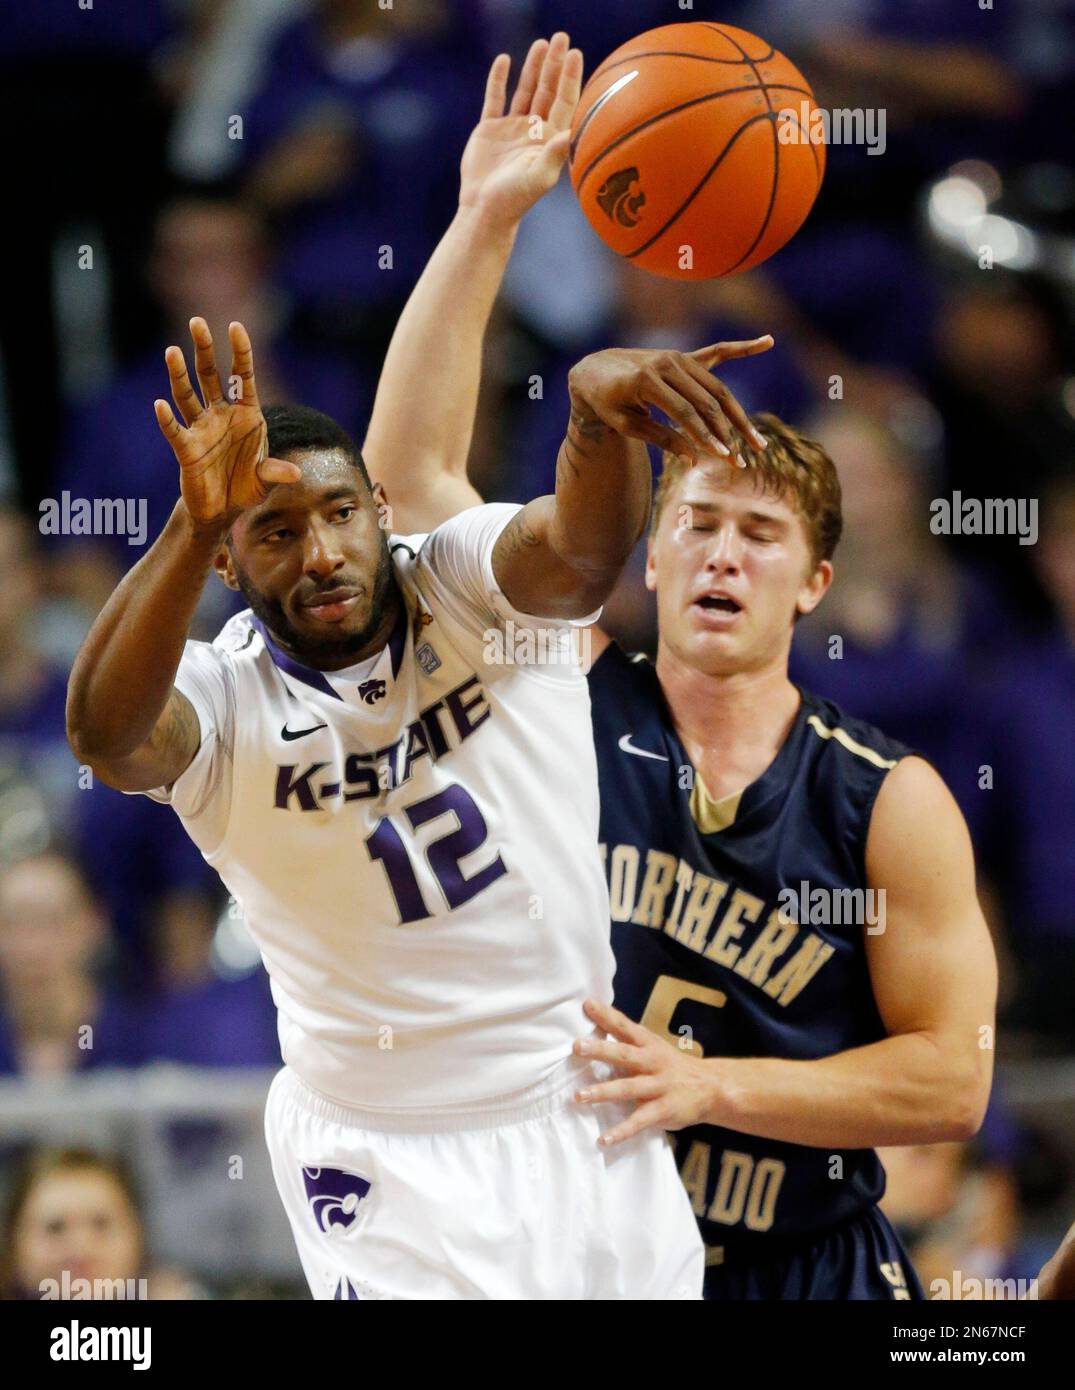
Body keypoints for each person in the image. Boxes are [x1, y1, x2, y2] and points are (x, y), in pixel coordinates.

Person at [64, 36, 730, 1301]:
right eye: (267, 532)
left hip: (580, 1107)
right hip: (387, 1158)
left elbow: (579, 554)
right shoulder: (221, 695)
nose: (317, 552)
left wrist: (592, 415)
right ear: (228, 562)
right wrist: (186, 523)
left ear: (378, 514)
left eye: (337, 516)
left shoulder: (457, 574)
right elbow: (105, 734)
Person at [362, 46, 999, 1304]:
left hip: (809, 1270)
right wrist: (488, 213)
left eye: (761, 535)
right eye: (697, 524)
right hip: (587, 1258)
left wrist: (715, 1087)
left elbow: (953, 1081)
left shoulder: (887, 797)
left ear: (814, 582)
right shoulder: (559, 693)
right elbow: (406, 491)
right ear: (648, 560)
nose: (723, 553)